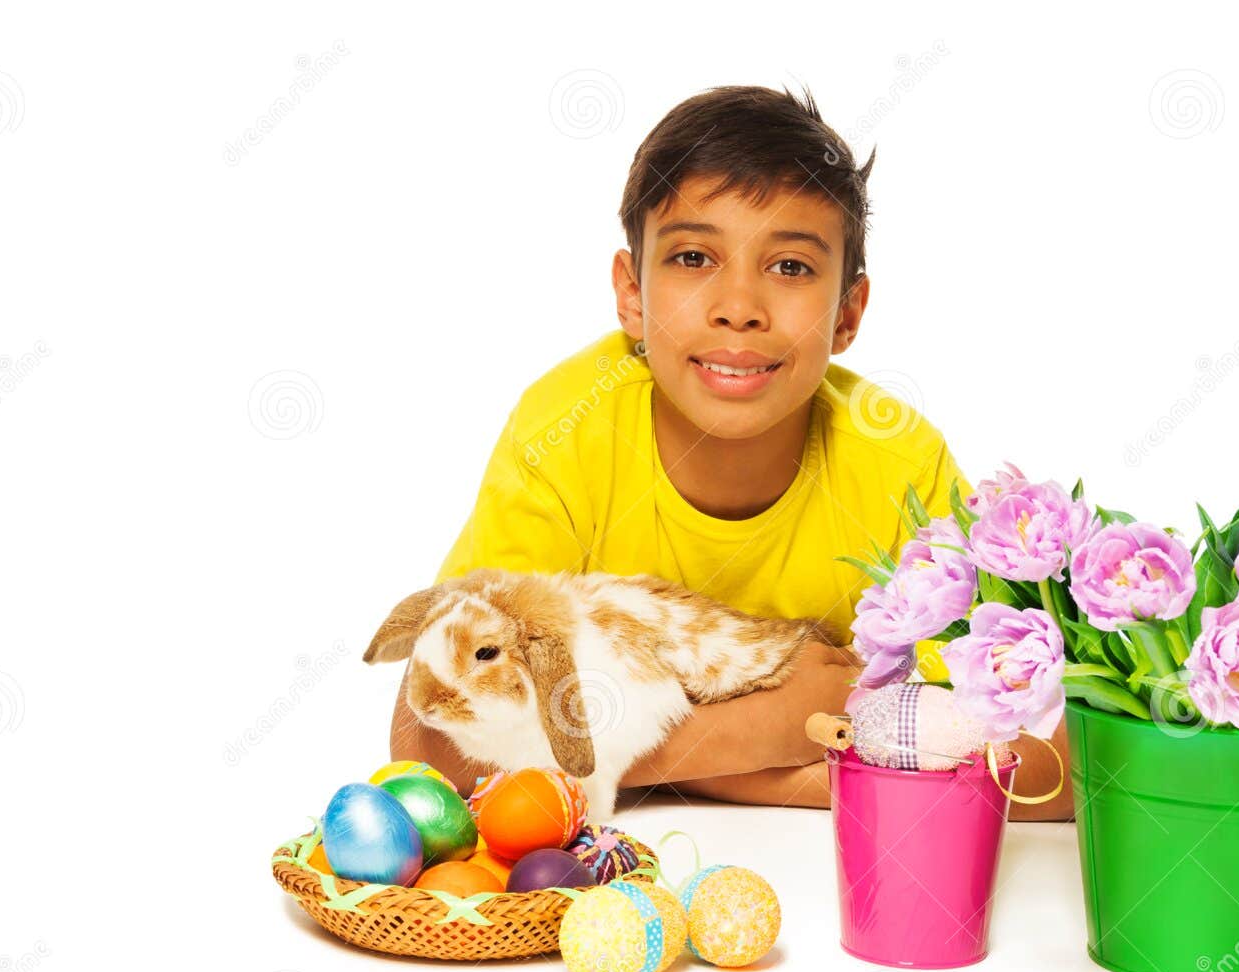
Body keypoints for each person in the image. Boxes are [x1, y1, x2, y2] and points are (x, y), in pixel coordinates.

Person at [390, 84, 1071, 817]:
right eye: (692, 256)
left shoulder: (895, 460)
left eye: (790, 267)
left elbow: (1054, 762)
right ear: (632, 294)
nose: (738, 305)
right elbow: (425, 742)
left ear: (848, 312)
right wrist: (760, 733)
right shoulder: (567, 431)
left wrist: (650, 762)